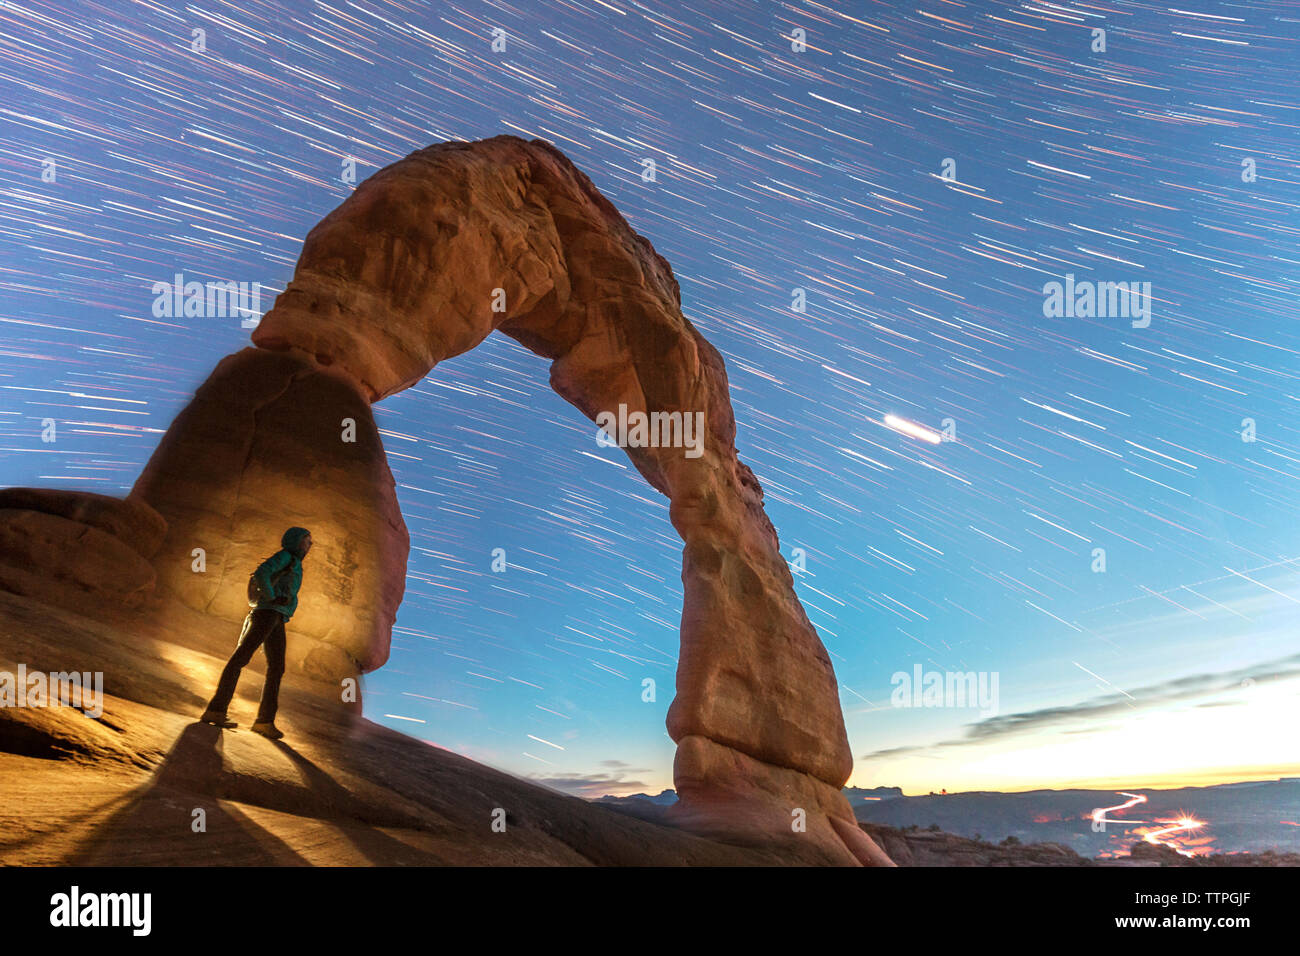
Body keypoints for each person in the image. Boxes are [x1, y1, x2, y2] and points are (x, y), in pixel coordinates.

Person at [199, 527, 313, 739]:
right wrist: (271, 597)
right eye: (307, 540)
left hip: (276, 616)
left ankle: (264, 722)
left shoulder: (294, 561)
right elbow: (262, 573)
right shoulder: (286, 556)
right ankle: (216, 710)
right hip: (267, 613)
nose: (310, 545)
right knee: (242, 659)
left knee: (276, 667)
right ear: (296, 541)